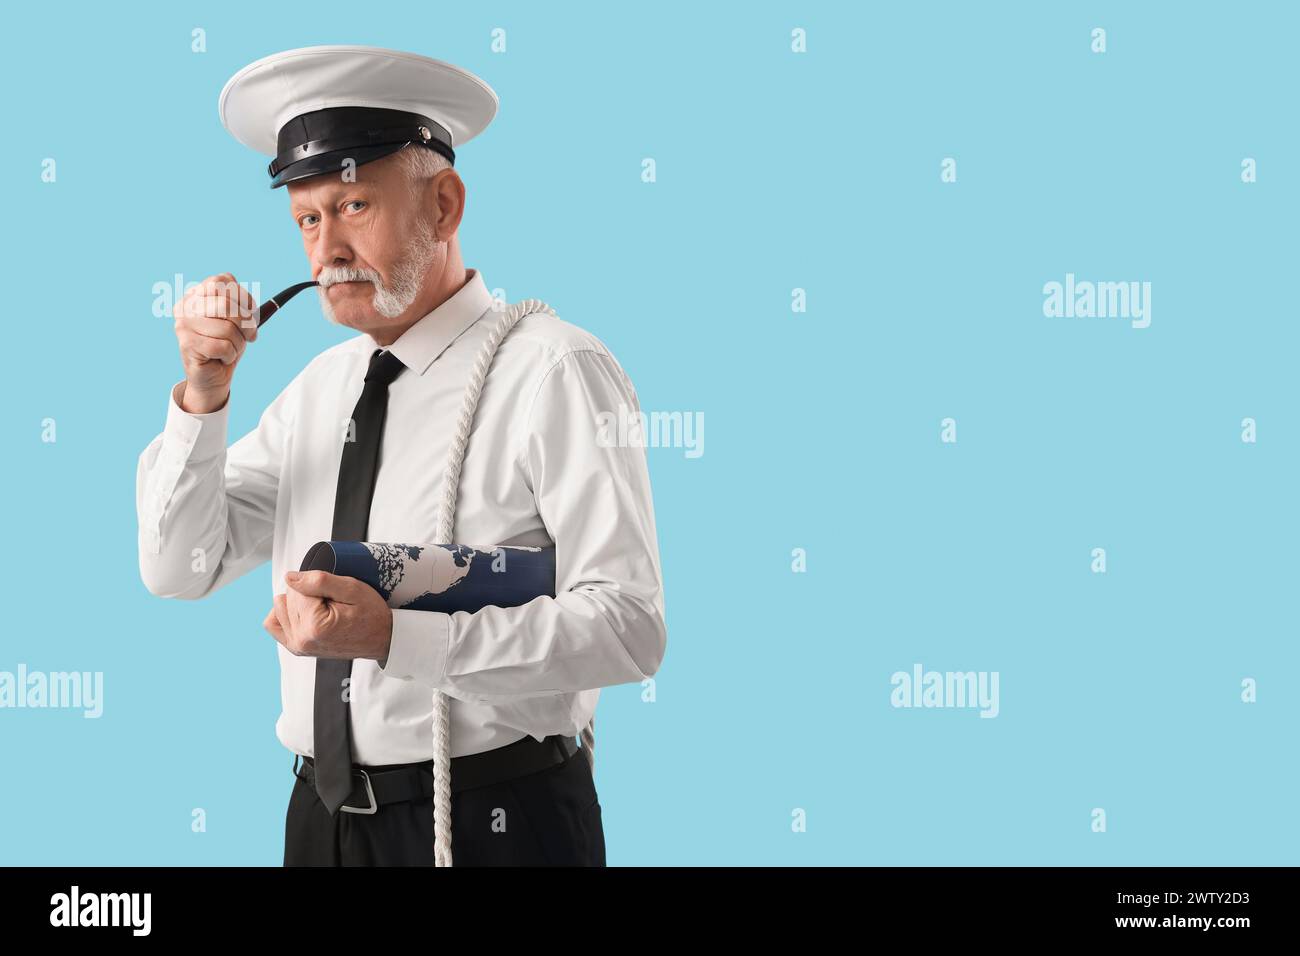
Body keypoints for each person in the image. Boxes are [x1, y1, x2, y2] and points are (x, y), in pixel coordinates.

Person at [135, 45, 667, 866]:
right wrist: (202, 400)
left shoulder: (557, 371)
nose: (326, 250)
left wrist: (399, 638)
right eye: (308, 219)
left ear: (444, 204)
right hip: (321, 824)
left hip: (499, 823)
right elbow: (179, 567)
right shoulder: (316, 389)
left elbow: (630, 630)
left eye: (351, 204)